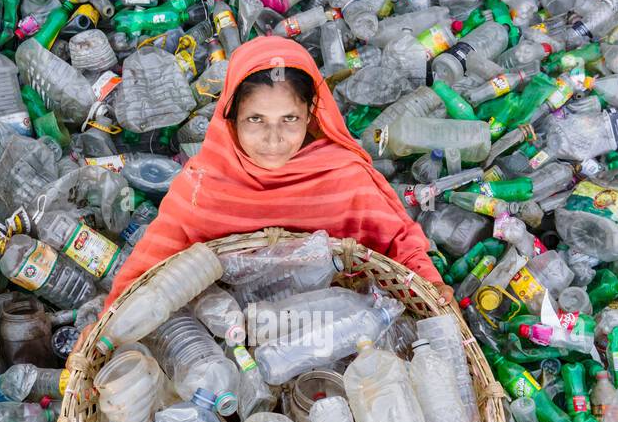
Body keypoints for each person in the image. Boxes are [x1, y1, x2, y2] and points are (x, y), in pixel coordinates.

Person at [101, 35, 451, 310]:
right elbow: (147, 268)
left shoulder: (344, 178)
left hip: (335, 318)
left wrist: (431, 288)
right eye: (256, 120)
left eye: (289, 120)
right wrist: (106, 332)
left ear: (311, 115)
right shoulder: (203, 186)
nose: (273, 140)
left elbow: (399, 242)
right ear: (231, 116)